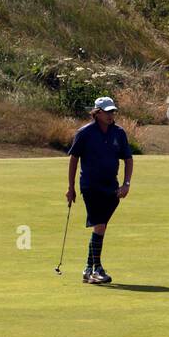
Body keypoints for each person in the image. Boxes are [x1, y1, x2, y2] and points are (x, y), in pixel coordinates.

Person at [66, 97, 133, 285]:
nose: (112, 115)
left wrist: (126, 184)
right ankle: (97, 269)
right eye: (108, 112)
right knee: (100, 225)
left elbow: (128, 159)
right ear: (97, 113)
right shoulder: (85, 133)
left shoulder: (119, 133)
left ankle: (88, 269)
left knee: (99, 227)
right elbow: (74, 159)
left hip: (112, 187)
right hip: (90, 186)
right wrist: (71, 188)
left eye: (113, 111)